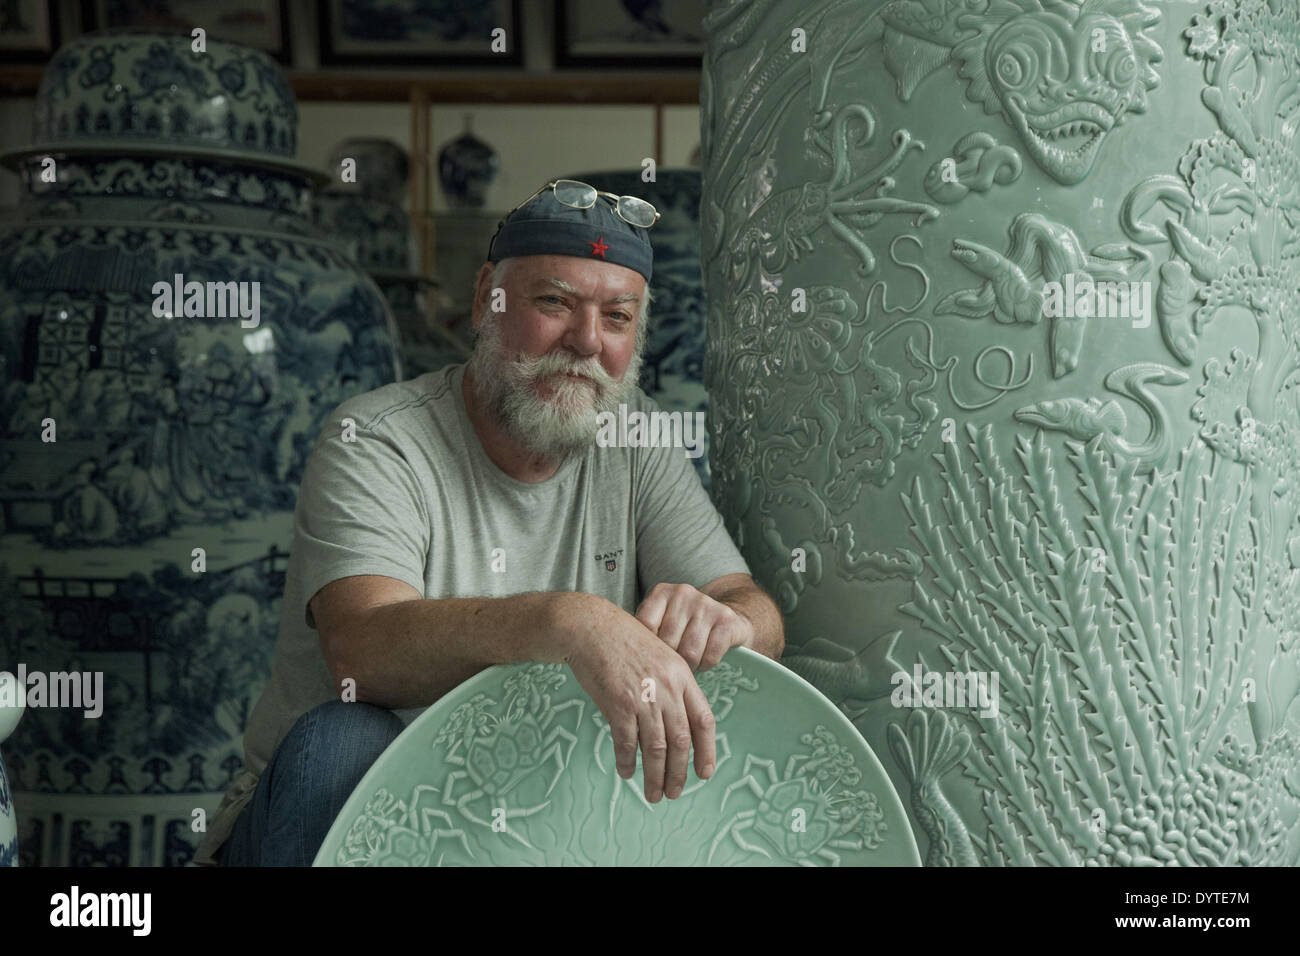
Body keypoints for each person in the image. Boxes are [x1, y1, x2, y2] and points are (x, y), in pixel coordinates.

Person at [195, 179, 783, 866]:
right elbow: (361, 653)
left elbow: (751, 610)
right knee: (344, 738)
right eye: (555, 303)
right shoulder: (377, 437)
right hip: (356, 828)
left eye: (617, 318)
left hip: (523, 835)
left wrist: (731, 624)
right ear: (486, 300)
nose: (587, 342)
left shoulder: (638, 438)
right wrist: (569, 623)